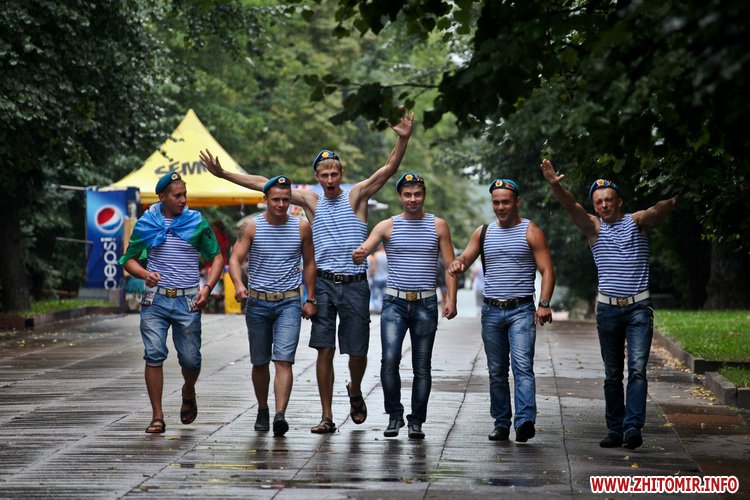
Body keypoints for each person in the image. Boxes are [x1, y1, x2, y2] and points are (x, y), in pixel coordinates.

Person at [199, 111, 414, 433]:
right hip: (324, 284)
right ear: (317, 176)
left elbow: (388, 169)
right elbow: (262, 183)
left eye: (334, 174)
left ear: (341, 174)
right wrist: (223, 174)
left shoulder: (357, 195)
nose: (330, 180)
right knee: (323, 349)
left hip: (355, 284)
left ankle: (355, 389)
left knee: (357, 351)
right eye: (324, 175)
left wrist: (403, 138)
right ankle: (326, 416)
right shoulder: (310, 200)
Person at [540, 159, 677, 450]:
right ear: (595, 205)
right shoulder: (594, 228)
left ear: (619, 201)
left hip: (638, 308)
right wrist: (555, 185)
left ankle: (632, 428)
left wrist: (676, 198)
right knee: (612, 373)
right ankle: (615, 429)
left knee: (637, 369)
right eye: (599, 202)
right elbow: (571, 206)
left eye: (609, 200)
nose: (604, 205)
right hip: (608, 310)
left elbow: (655, 211)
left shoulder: (636, 223)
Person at [353, 172, 458, 439]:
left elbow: (450, 266)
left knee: (422, 365)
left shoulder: (438, 225)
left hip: (425, 303)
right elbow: (364, 250)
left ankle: (416, 421)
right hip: (394, 303)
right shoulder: (386, 226)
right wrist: (359, 254)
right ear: (400, 197)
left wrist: (451, 298)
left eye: (417, 194)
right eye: (408, 195)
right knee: (389, 359)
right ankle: (395, 415)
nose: (413, 199)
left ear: (424, 196)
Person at [449, 178, 555, 442]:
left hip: (521, 310)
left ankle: (525, 421)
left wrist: (543, 304)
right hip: (491, 311)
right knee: (496, 370)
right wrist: (458, 263)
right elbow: (465, 258)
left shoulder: (531, 231)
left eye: (505, 202)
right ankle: (501, 423)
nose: (500, 207)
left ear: (517, 201)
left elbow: (547, 270)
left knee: (522, 366)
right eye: (496, 202)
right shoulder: (483, 232)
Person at [120, 172, 224, 434]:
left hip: (188, 300)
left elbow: (217, 258)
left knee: (191, 360)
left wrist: (207, 288)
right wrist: (144, 274)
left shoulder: (196, 222)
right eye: (177, 195)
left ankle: (188, 390)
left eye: (184, 194)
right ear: (162, 197)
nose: (183, 200)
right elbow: (129, 259)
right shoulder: (147, 223)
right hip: (154, 300)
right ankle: (157, 416)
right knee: (153, 354)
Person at [228, 175, 317, 437]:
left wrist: (310, 298)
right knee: (259, 362)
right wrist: (238, 284)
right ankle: (263, 408)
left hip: (289, 302)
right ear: (265, 199)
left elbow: (310, 263)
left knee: (283, 360)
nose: (281, 204)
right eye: (276, 199)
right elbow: (235, 259)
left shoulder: (301, 227)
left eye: (286, 200)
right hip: (257, 302)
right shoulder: (251, 227)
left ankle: (280, 414)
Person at [368, 245, 388, 314]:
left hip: (377, 278)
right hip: (386, 279)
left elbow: (373, 269)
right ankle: (384, 310)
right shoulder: (387, 255)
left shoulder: (376, 255)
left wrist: (371, 275)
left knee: (375, 296)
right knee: (384, 296)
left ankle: (377, 311)